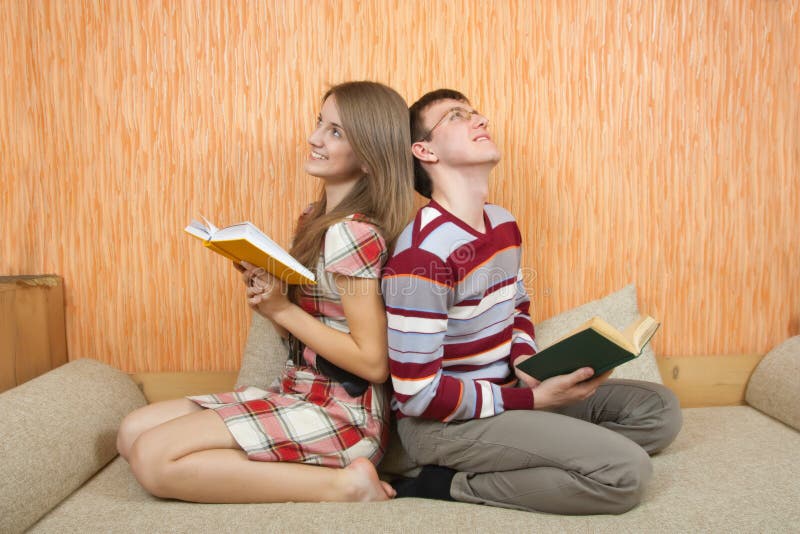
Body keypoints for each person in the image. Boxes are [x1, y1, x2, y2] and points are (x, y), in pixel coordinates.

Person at [382, 89, 682, 515]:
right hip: (442, 425)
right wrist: (535, 402)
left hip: (510, 394)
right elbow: (416, 396)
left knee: (659, 411)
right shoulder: (421, 255)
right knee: (625, 474)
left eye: (475, 112)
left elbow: (516, 306)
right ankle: (446, 484)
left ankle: (550, 449)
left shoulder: (503, 224)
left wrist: (527, 362)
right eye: (456, 115)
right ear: (424, 150)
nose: (479, 119)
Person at [116, 81, 415, 503]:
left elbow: (372, 362)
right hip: (296, 391)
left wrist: (283, 310)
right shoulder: (316, 220)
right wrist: (272, 302)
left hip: (342, 416)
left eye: (336, 132)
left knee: (151, 458)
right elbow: (305, 341)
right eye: (320, 123)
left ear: (369, 156)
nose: (314, 138)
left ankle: (347, 487)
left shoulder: (353, 233)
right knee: (131, 433)